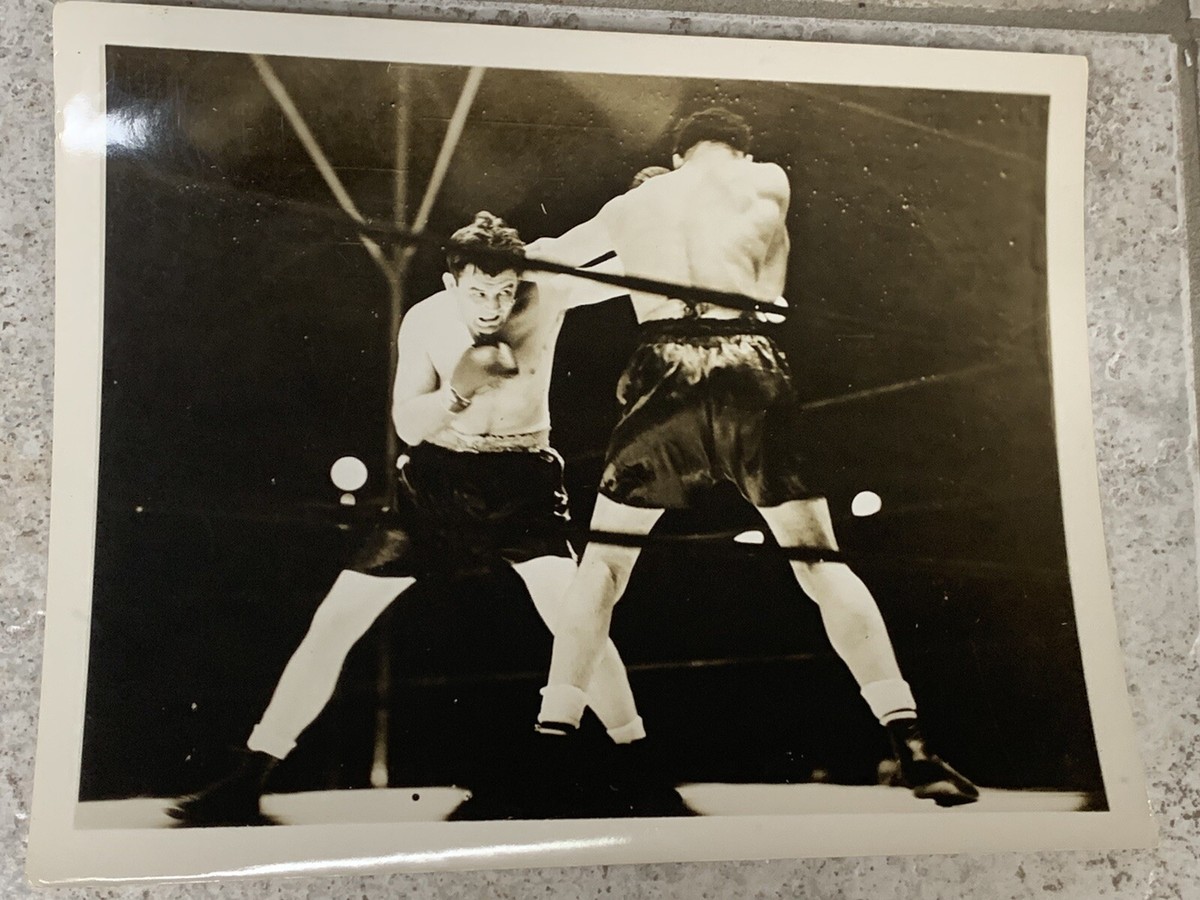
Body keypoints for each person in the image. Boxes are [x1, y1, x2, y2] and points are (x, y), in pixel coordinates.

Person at [530, 108, 979, 806]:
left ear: (677, 157)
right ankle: (913, 745)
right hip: (748, 369)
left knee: (605, 569)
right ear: (740, 152)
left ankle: (549, 749)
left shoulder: (630, 203)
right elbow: (770, 296)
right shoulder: (765, 180)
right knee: (820, 565)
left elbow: (547, 263)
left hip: (660, 374)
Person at [168, 212, 653, 826]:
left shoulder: (547, 291)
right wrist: (459, 392)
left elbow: (631, 265)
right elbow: (408, 424)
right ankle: (249, 776)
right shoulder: (425, 320)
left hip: (523, 483)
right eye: (478, 291)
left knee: (578, 617)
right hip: (437, 485)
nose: (493, 306)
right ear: (453, 283)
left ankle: (641, 767)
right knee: (335, 622)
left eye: (504, 291)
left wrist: (661, 205)